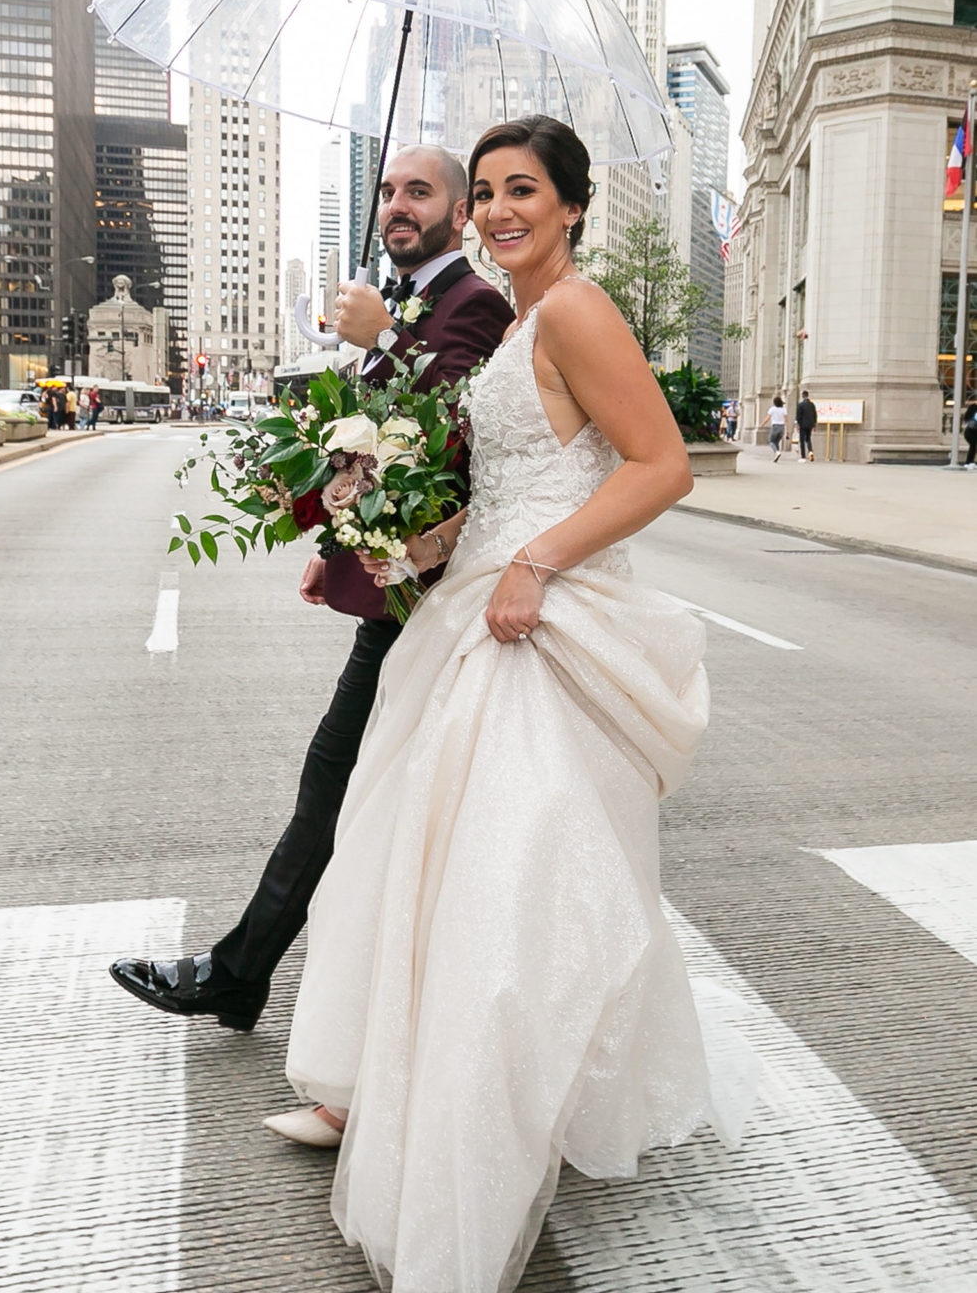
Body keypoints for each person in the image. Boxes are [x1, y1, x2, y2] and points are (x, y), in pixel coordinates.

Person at [264, 117, 750, 1292]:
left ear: (571, 205)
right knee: (425, 859)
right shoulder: (521, 318)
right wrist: (375, 531)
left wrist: (534, 564)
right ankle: (397, 1086)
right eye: (482, 193)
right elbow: (480, 474)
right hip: (471, 607)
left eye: (519, 190)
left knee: (507, 884)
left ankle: (474, 1130)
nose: (494, 211)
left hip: (536, 625)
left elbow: (658, 464)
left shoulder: (577, 308)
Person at [109, 145, 514, 1030]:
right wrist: (328, 537)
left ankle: (247, 976)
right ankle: (250, 975)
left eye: (422, 192)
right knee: (343, 788)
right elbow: (373, 442)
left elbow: (450, 430)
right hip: (392, 583)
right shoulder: (407, 300)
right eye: (389, 192)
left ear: (459, 215)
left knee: (340, 787)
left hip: (431, 600)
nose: (398, 206)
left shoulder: (472, 303)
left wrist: (382, 338)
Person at [760, 394, 788, 460]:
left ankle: (776, 452)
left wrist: (762, 424)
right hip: (782, 427)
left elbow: (767, 418)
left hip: (775, 426)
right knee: (777, 442)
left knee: (771, 441)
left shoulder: (772, 409)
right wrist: (787, 430)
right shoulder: (784, 409)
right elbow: (786, 420)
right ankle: (776, 455)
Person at [796, 390, 817, 462]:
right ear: (807, 396)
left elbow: (798, 416)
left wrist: (798, 424)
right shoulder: (812, 404)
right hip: (810, 424)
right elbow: (815, 415)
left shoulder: (800, 405)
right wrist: (814, 424)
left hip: (802, 425)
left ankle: (803, 457)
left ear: (802, 396)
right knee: (808, 439)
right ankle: (810, 451)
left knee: (802, 440)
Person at [964, 402, 977, 469]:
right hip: (972, 433)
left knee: (973, 447)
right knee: (973, 448)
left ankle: (969, 462)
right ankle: (968, 462)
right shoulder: (975, 415)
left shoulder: (970, 415)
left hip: (968, 433)